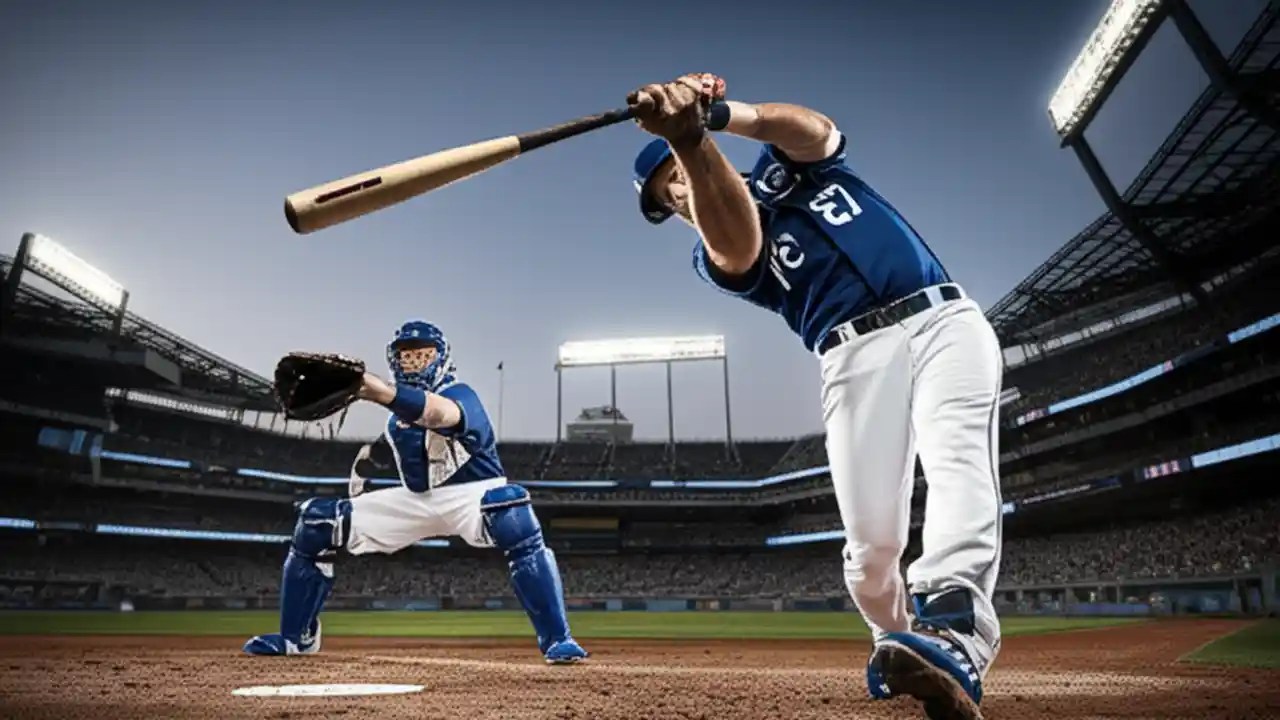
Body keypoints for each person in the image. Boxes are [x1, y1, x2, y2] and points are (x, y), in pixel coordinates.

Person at [628, 73, 1002, 719]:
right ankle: (895, 640)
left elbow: (810, 126)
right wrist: (688, 141)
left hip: (943, 319)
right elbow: (740, 243)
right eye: (670, 196)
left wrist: (719, 114)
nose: (682, 195)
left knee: (956, 455)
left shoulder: (788, 169)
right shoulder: (714, 246)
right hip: (852, 355)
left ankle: (957, 631)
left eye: (678, 177)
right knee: (871, 544)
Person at [243, 320, 589, 665]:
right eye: (406, 357)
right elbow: (392, 447)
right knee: (317, 520)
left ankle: (558, 638)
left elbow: (440, 414)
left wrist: (377, 391)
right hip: (417, 499)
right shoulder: (395, 420)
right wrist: (363, 471)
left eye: (423, 355)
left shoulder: (461, 394)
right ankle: (296, 638)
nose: (414, 363)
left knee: (510, 509)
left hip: (473, 494)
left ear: (442, 358)